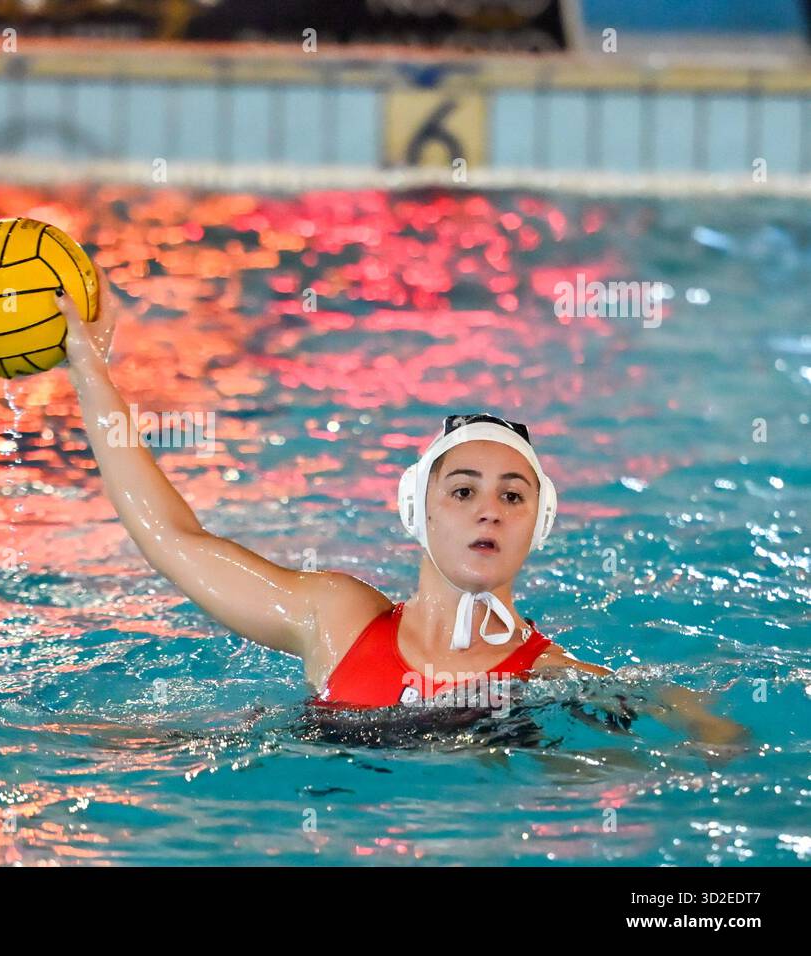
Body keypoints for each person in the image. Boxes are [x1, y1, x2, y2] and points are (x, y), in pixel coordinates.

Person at [54, 268, 747, 750]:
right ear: (418, 509)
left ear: (539, 523)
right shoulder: (334, 619)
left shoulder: (552, 683)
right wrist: (91, 370)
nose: (490, 512)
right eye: (464, 490)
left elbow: (702, 747)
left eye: (514, 495)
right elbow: (173, 539)